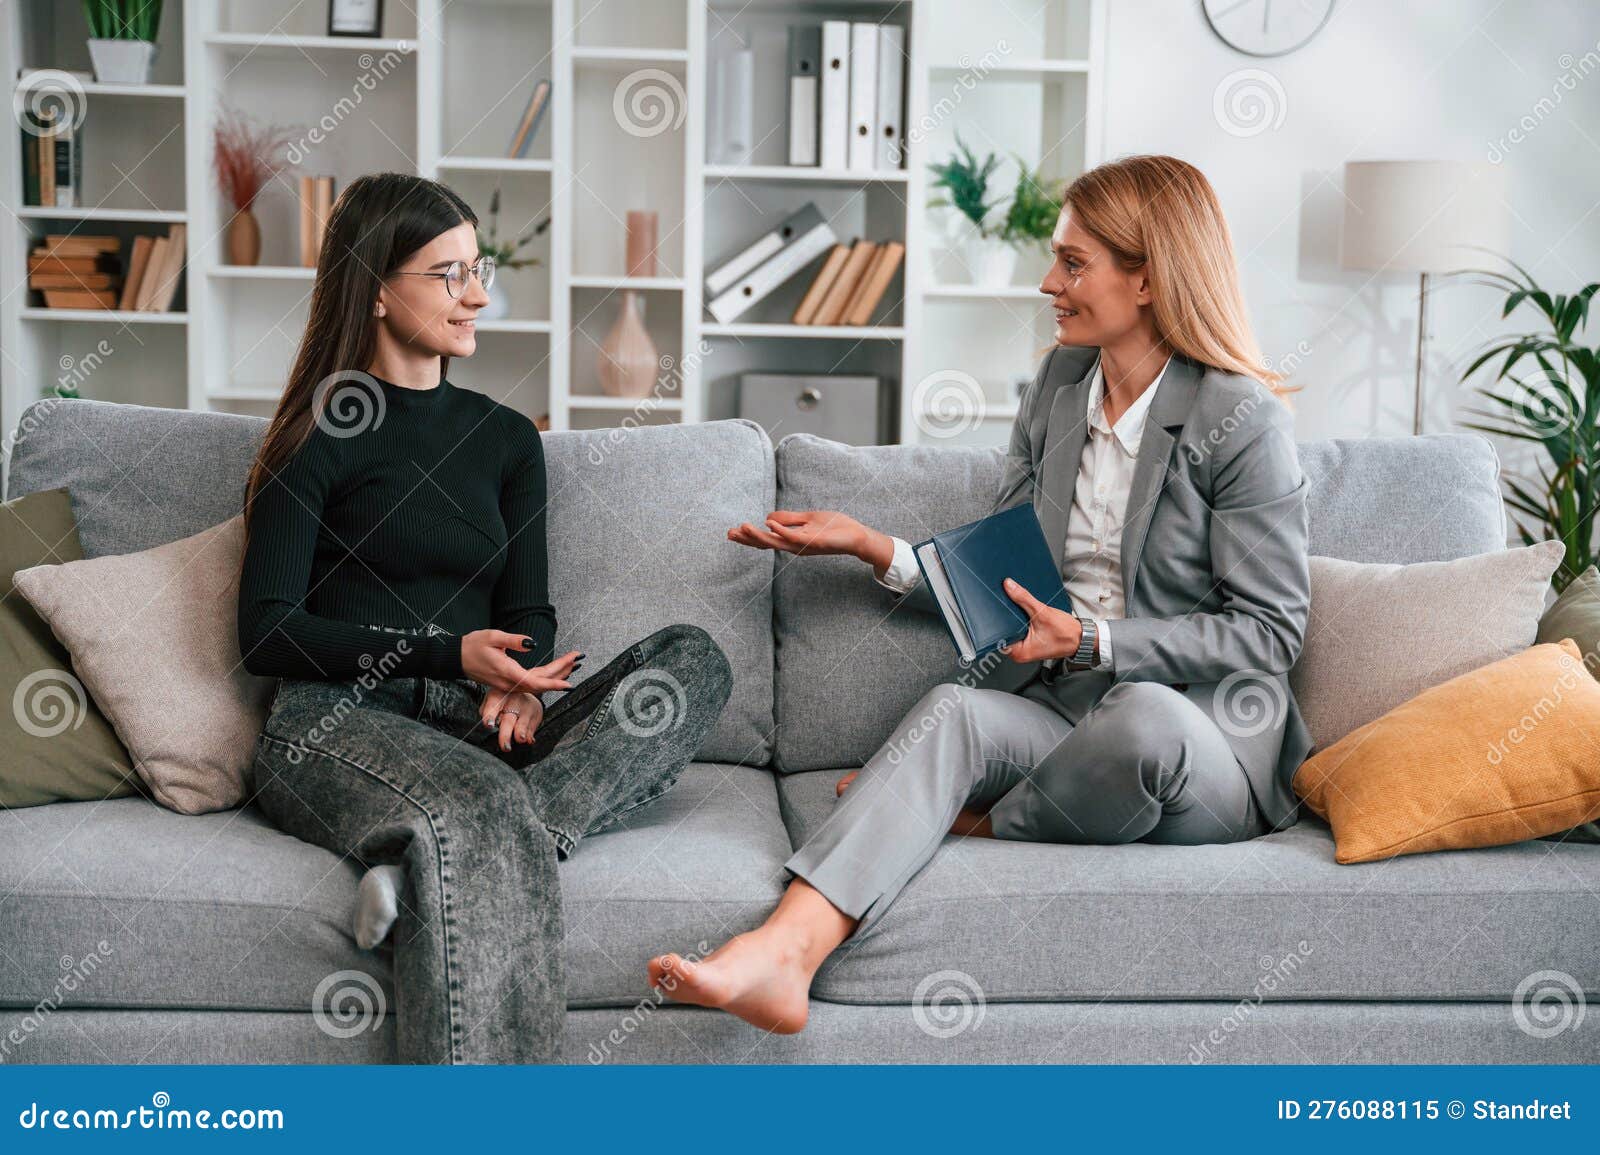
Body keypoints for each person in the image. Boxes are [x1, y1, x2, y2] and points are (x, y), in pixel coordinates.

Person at [649, 154, 1311, 1034]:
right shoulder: (1057, 389)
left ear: (1147, 277)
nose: (1049, 283)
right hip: (1062, 714)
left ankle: (979, 822)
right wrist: (871, 546)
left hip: (1196, 747)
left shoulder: (1241, 418)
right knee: (949, 715)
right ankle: (783, 954)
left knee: (1144, 714)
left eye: (1074, 264)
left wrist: (1090, 640)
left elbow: (1268, 632)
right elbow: (1008, 576)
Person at [238, 172, 732, 1063]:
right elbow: (267, 631)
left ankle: (428, 865)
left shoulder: (507, 439)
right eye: (449, 273)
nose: (479, 295)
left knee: (690, 661)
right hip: (337, 721)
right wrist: (445, 652)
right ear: (378, 288)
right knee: (479, 804)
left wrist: (527, 688)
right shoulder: (318, 433)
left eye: (480, 268)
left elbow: (527, 606)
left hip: (479, 727)